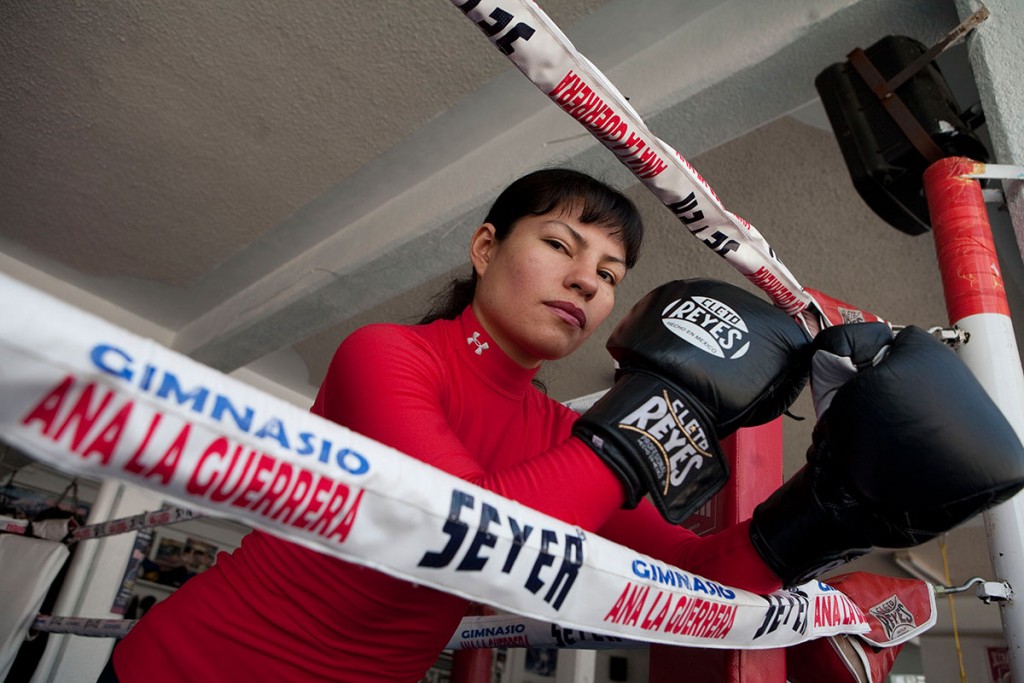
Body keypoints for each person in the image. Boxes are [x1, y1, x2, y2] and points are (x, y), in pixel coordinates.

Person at [104, 168, 1024, 682]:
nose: (589, 277)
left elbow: (695, 578)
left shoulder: (555, 433)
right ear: (486, 247)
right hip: (191, 667)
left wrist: (829, 512)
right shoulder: (389, 357)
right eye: (561, 243)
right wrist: (656, 419)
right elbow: (459, 530)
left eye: (613, 269)